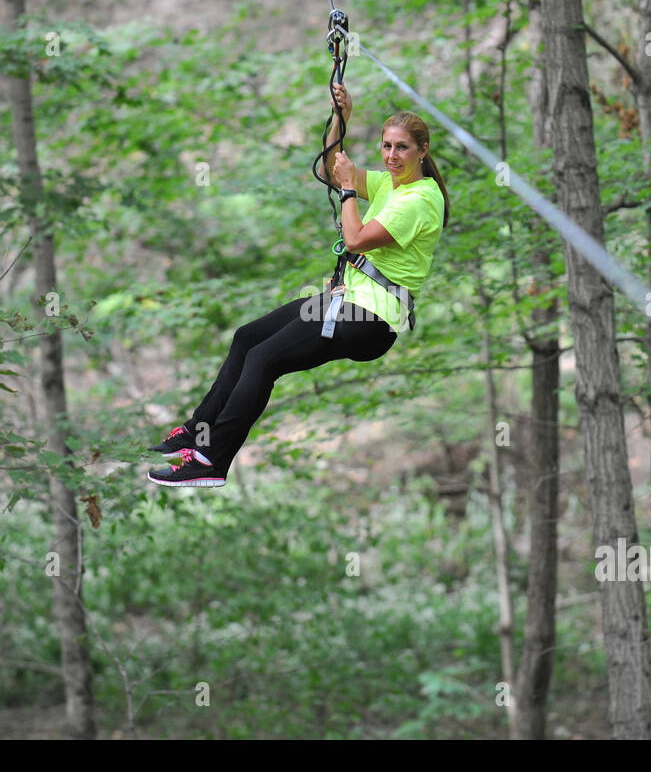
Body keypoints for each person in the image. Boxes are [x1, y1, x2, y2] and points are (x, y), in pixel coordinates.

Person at [147, 82, 451, 486]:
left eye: (402, 148)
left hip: (370, 319)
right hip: (347, 301)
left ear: (422, 151)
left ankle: (212, 461)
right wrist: (340, 121)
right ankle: (196, 430)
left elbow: (357, 237)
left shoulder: (419, 199)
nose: (391, 156)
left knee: (263, 360)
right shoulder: (389, 184)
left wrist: (347, 190)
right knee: (246, 338)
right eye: (386, 146)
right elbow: (329, 169)